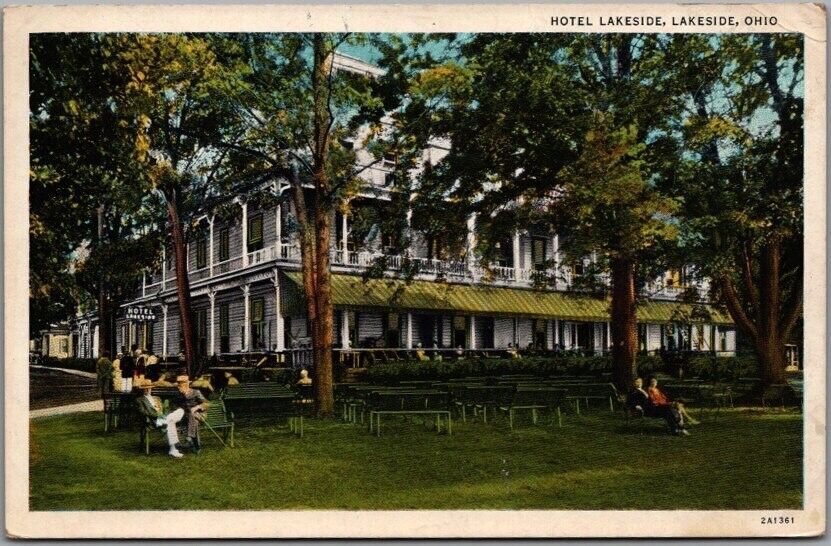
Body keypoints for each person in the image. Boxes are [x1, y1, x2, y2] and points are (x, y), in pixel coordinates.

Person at [135, 380, 185, 458]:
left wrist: (165, 410)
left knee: (180, 410)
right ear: (142, 390)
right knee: (171, 421)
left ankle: (173, 449)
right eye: (145, 388)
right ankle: (173, 449)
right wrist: (157, 415)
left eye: (149, 388)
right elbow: (143, 412)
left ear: (151, 388)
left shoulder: (157, 398)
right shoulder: (139, 400)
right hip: (154, 420)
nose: (147, 390)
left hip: (164, 417)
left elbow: (164, 409)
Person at [173, 375, 209, 454]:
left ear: (186, 385)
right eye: (178, 385)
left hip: (199, 415)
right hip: (185, 416)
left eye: (180, 385)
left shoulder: (196, 392)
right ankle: (196, 446)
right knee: (191, 418)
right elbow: (175, 406)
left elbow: (206, 404)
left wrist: (197, 407)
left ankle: (190, 437)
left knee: (192, 416)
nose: (179, 387)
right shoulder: (178, 395)